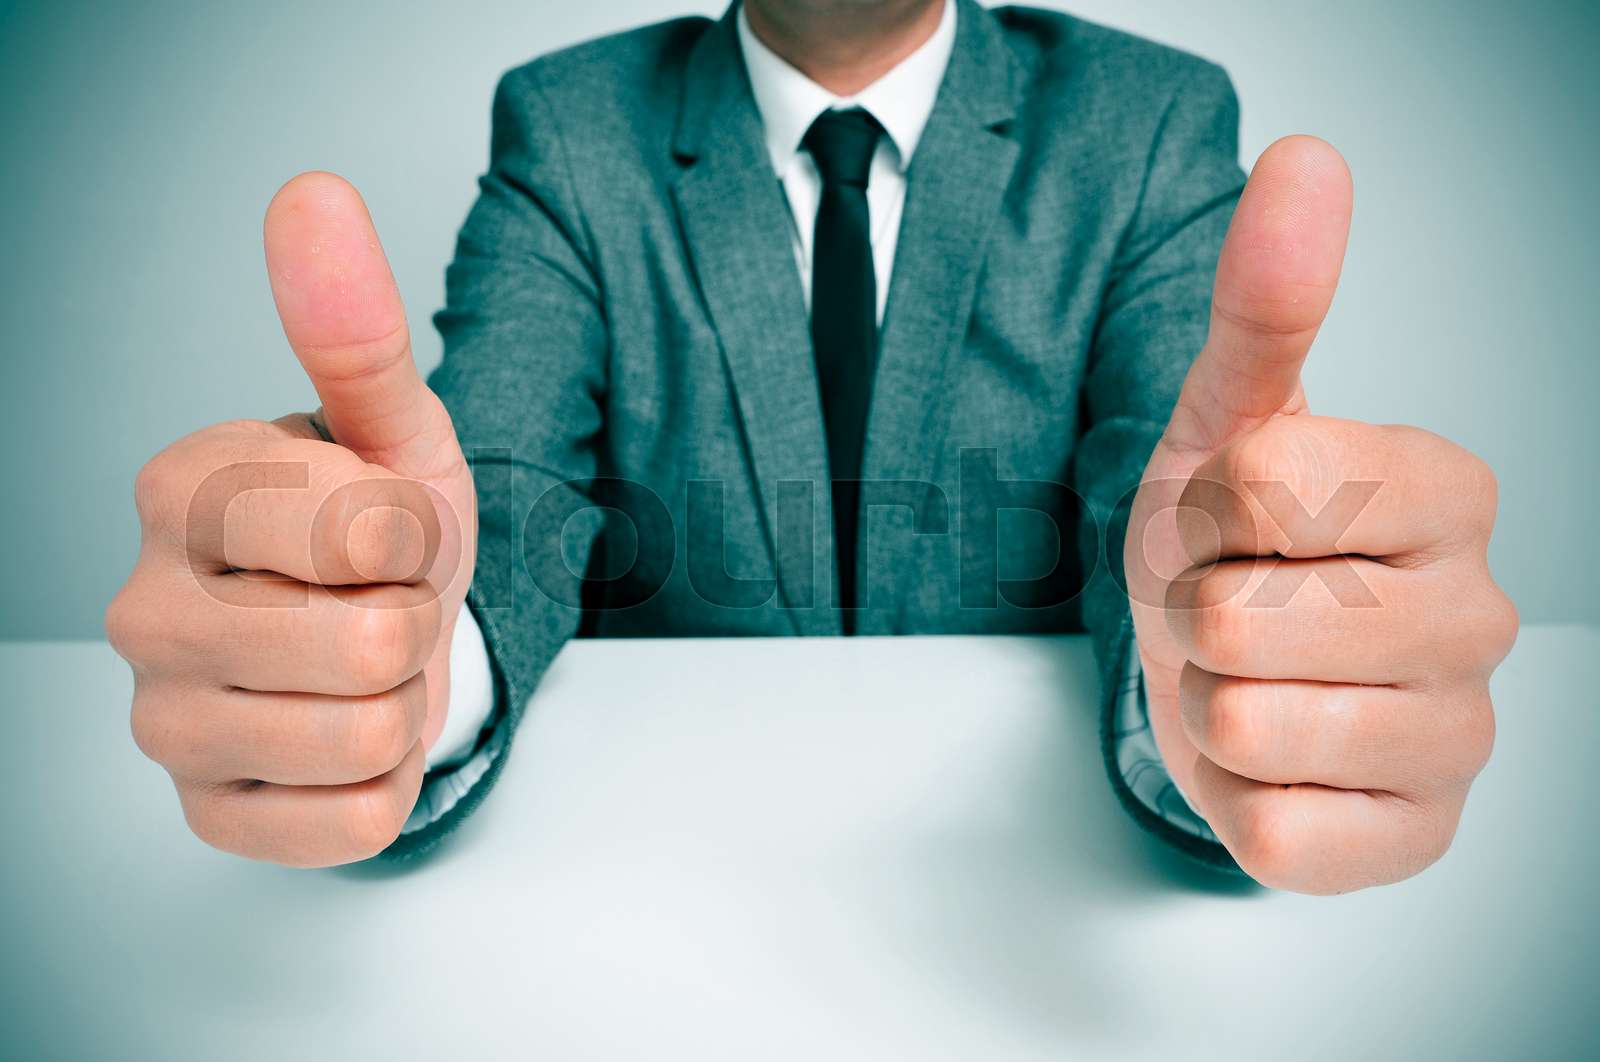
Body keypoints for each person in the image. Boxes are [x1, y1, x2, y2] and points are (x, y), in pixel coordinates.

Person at [105, 0, 1517, 893]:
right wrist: (412, 663)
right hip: (659, 899)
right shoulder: (569, 123)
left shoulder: (1147, 119)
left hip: (1022, 886)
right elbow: (502, 485)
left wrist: (1218, 665)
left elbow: (1171, 470)